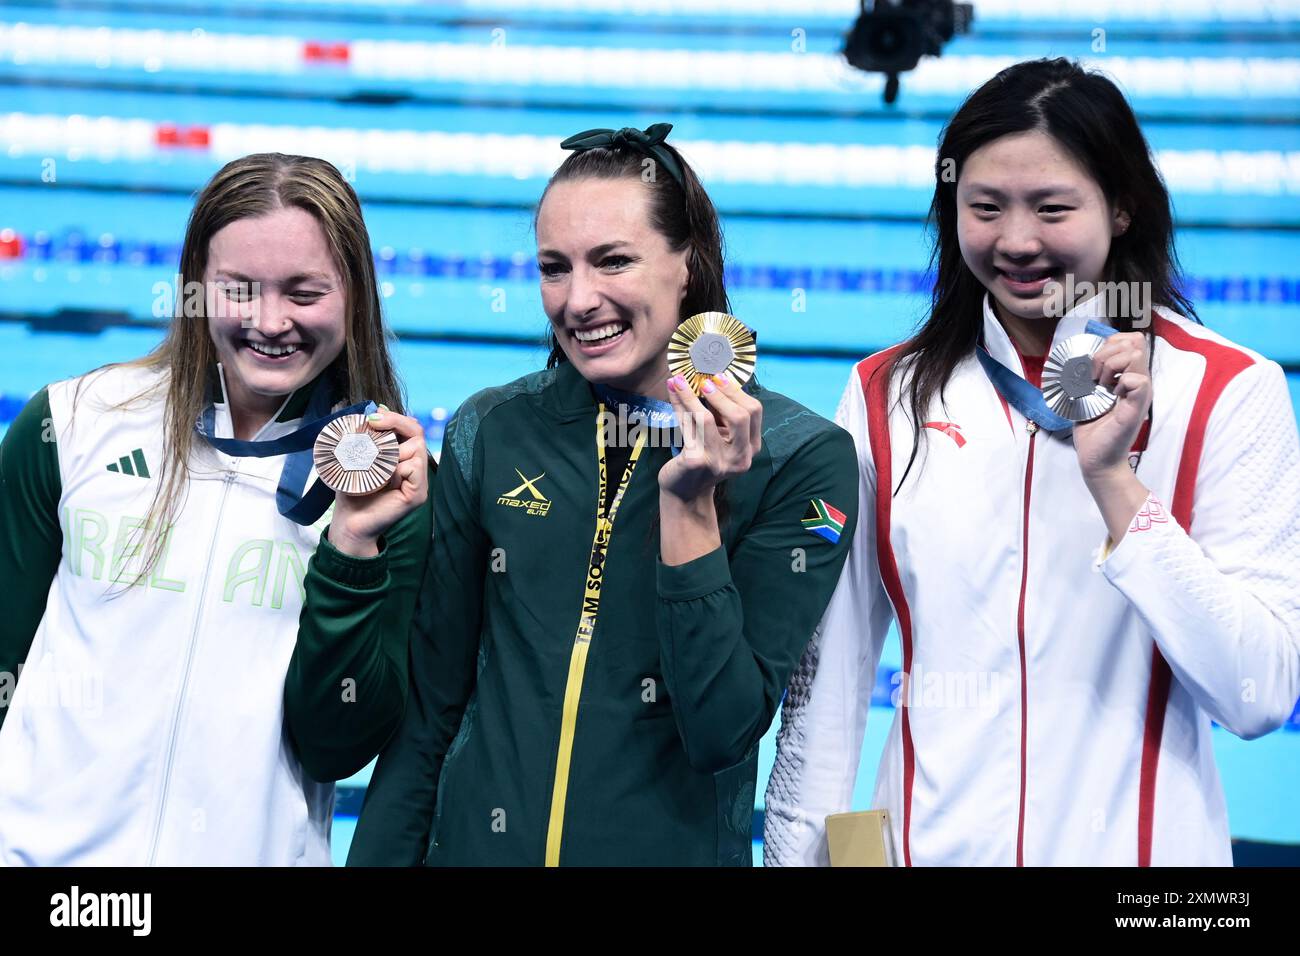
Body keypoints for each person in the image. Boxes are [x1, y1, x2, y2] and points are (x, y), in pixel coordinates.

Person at [764, 59, 1300, 866]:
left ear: (1121, 207)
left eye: (1052, 209)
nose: (1016, 243)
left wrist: (1115, 483)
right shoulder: (885, 395)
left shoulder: (1228, 390)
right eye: (985, 208)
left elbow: (1258, 694)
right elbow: (831, 679)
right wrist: (795, 858)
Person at [344, 124, 858, 866]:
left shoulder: (798, 457)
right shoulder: (494, 429)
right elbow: (429, 713)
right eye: (555, 268)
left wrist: (690, 509)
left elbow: (720, 728)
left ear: (689, 265)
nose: (579, 300)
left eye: (613, 261)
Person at [0, 153, 432, 865]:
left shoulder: (394, 491)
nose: (270, 322)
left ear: (354, 295)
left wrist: (352, 547)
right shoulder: (70, 425)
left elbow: (337, 743)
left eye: (304, 291)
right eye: (238, 289)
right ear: (194, 287)